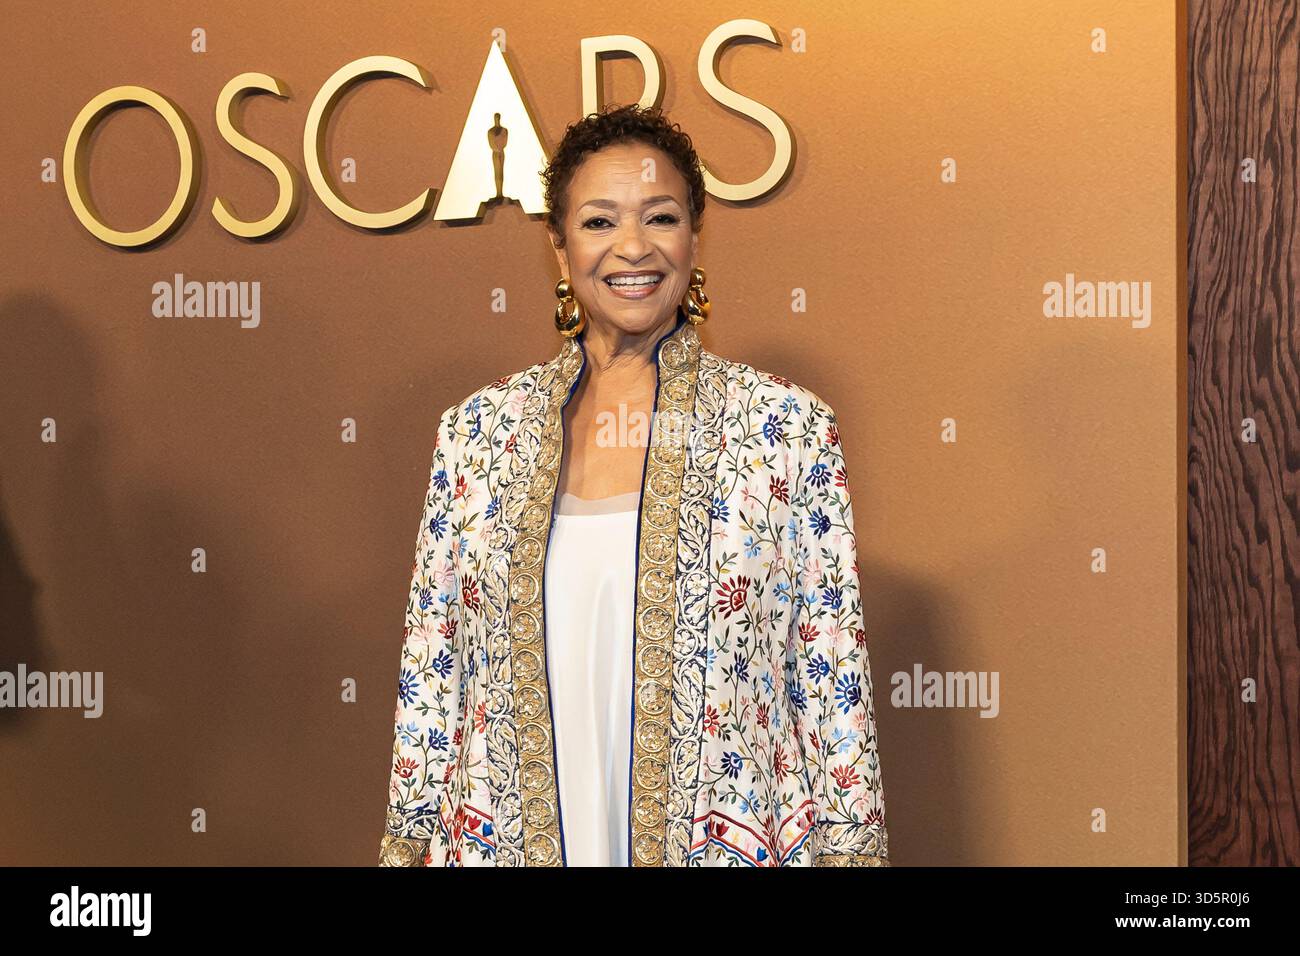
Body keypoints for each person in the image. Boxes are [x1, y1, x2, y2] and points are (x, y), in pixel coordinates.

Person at [379, 104, 889, 867]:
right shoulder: (477, 436)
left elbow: (831, 676)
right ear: (559, 248)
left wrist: (852, 850)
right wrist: (409, 841)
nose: (632, 247)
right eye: (598, 222)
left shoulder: (784, 428)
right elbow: (434, 673)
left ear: (695, 238)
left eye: (660, 217)